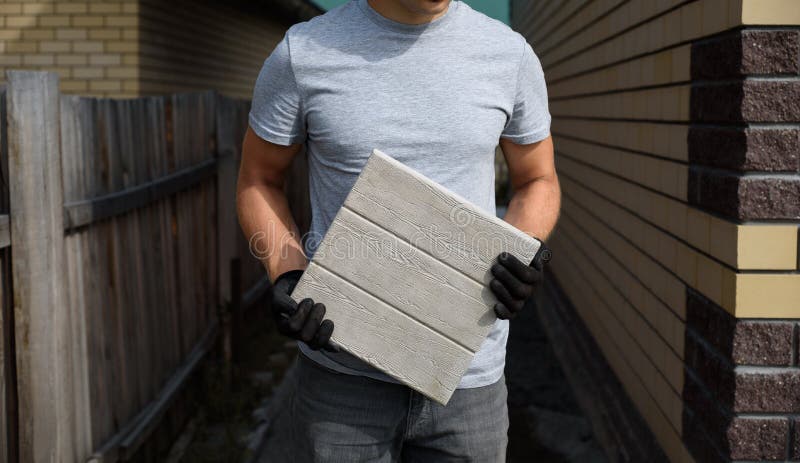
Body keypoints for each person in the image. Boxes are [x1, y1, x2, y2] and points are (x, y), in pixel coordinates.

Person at [236, 0, 560, 460]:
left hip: (468, 382)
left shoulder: (509, 55)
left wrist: (522, 248)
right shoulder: (303, 54)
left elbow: (538, 179)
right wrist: (287, 272)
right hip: (341, 381)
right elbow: (257, 179)